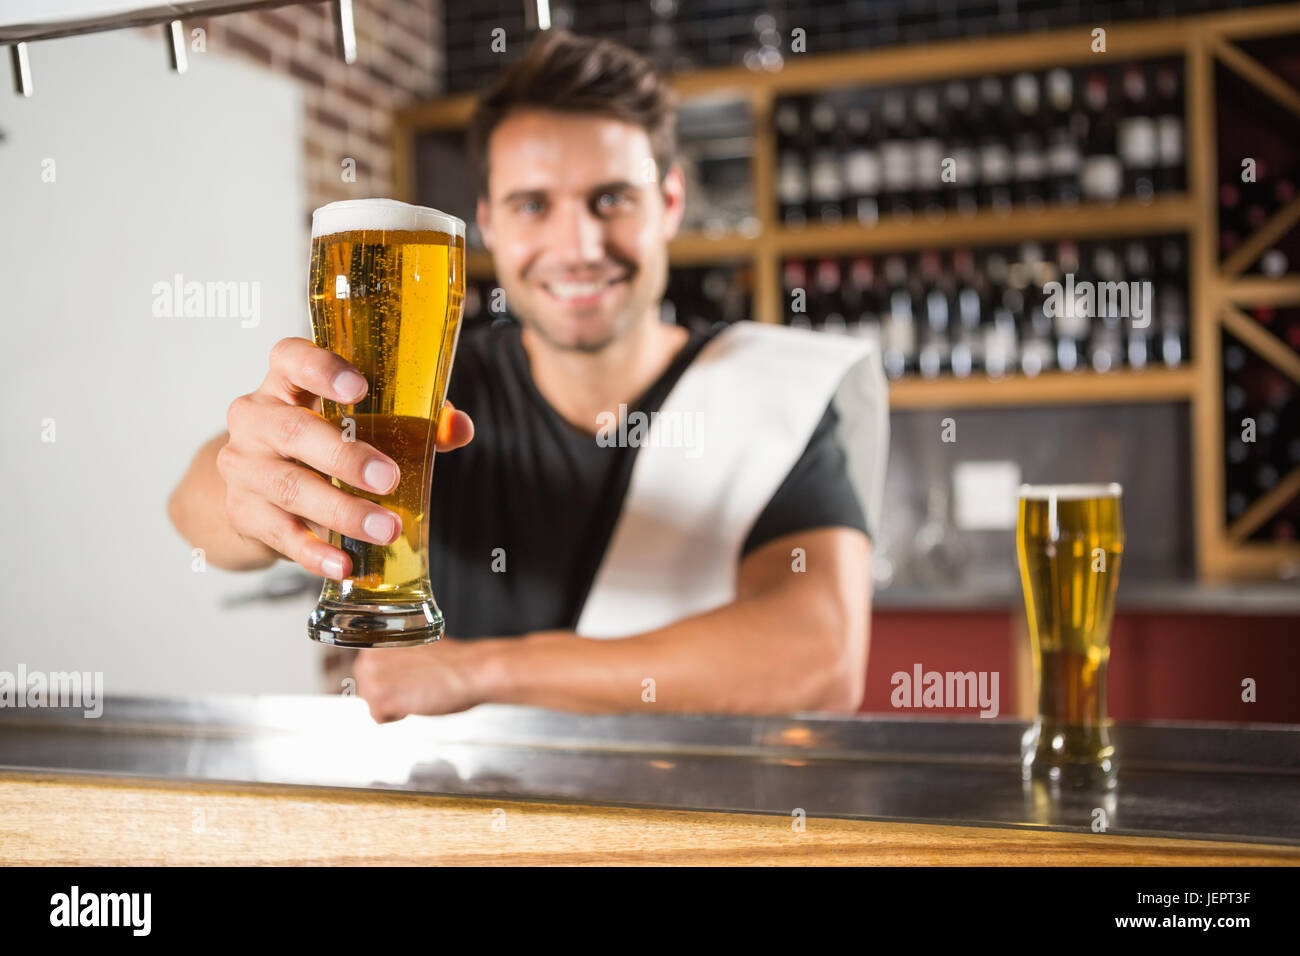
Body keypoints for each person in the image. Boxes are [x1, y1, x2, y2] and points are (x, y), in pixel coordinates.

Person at [167, 30, 887, 722]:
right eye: (533, 205)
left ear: (668, 204)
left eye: (611, 199)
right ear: (489, 223)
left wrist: (480, 670)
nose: (577, 246)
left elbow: (818, 659)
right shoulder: (436, 388)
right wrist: (251, 489)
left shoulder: (766, 393)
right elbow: (193, 520)